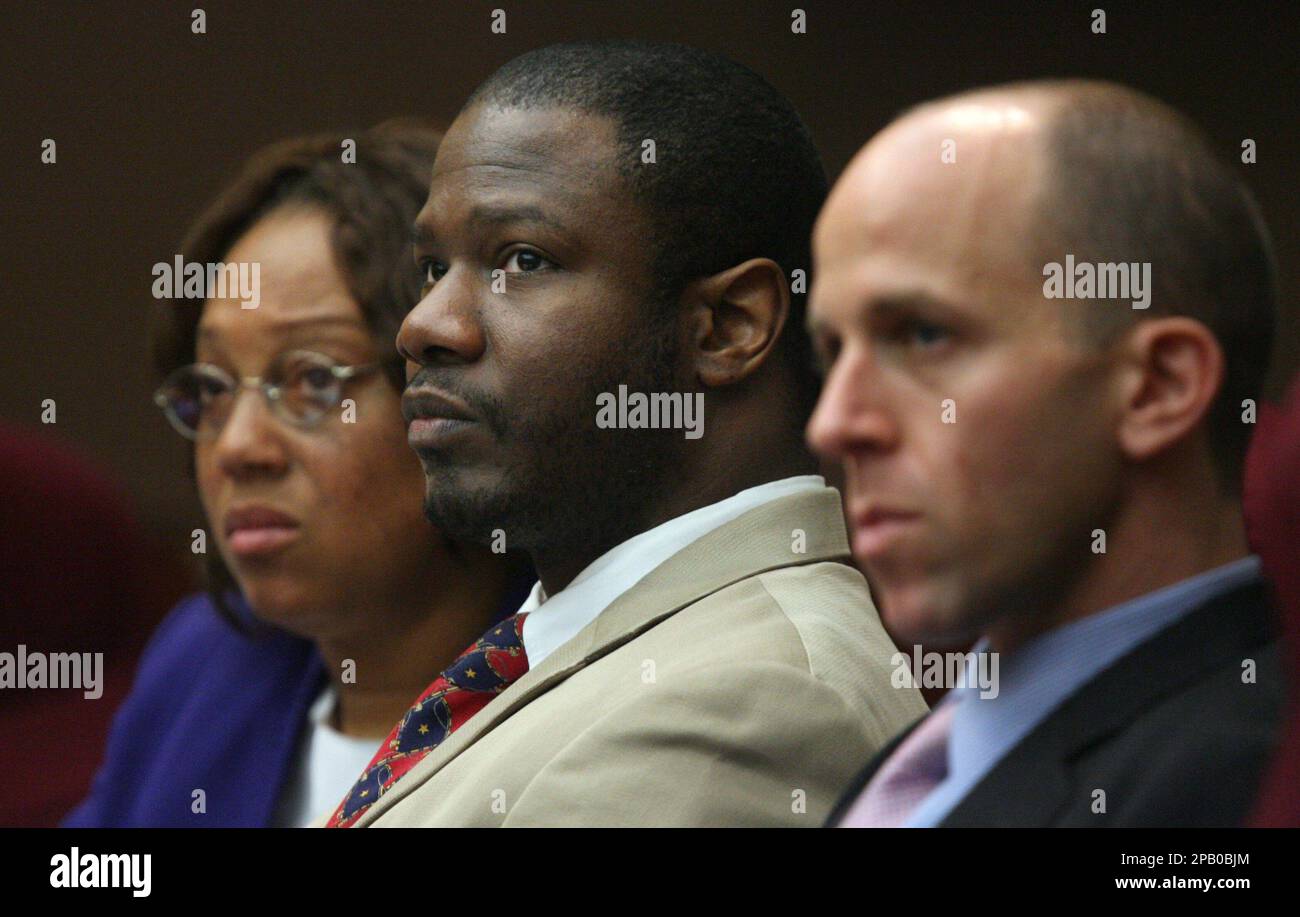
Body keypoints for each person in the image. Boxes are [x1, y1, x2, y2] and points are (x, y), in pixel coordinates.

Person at [324, 40, 925, 828]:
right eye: (435, 267)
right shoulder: (587, 644)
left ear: (727, 326)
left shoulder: (751, 701)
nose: (423, 325)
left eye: (524, 259)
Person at [808, 80, 1284, 827]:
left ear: (1156, 388)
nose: (834, 424)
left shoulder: (1244, 785)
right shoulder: (939, 749)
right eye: (833, 350)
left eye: (923, 336)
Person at [65, 122, 526, 828]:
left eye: (312, 379)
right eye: (214, 387)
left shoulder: (582, 694)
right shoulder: (206, 661)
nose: (238, 447)